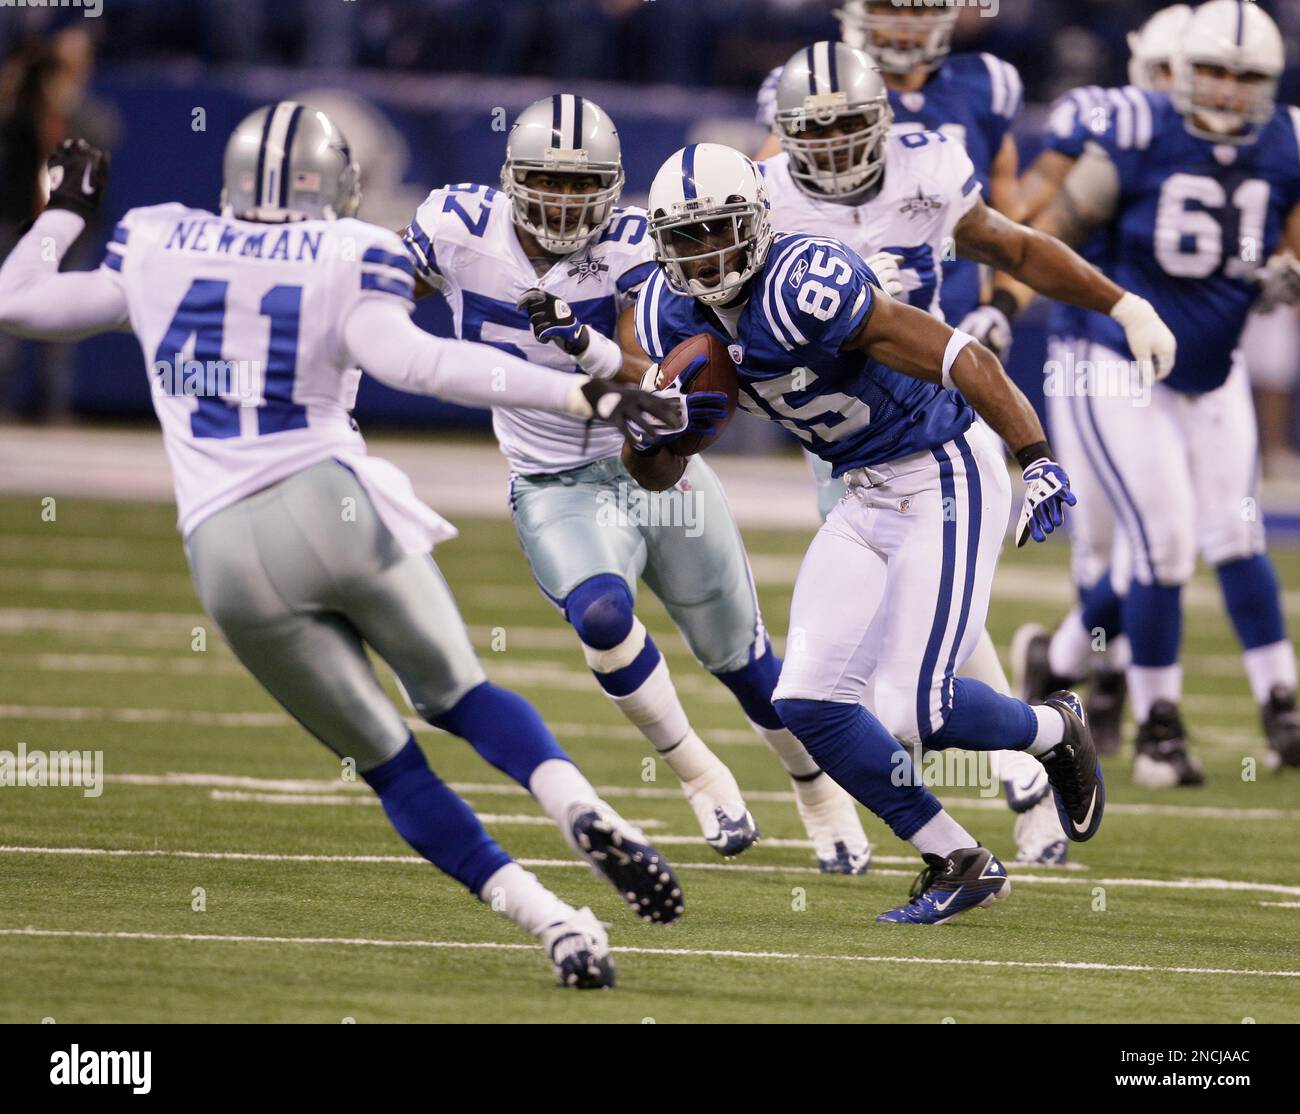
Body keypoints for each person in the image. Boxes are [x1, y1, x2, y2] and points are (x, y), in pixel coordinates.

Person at [0, 107, 692, 989]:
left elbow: (17, 302)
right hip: (330, 502)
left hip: (221, 549)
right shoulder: (346, 250)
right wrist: (586, 400)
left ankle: (555, 926)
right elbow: (422, 364)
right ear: (335, 187)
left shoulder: (159, 238)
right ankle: (582, 808)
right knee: (461, 698)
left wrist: (61, 212)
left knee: (391, 765)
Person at [625, 142, 1170, 922]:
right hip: (865, 491)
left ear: (758, 223)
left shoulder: (804, 285)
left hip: (943, 469)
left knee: (916, 711)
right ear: (662, 244)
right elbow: (652, 473)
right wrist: (659, 435)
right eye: (687, 237)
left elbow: (961, 355)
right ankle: (956, 856)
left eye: (721, 230)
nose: (707, 254)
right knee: (807, 702)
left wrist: (1036, 458)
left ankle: (1054, 729)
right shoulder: (665, 316)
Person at [401, 94, 873, 872]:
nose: (563, 200)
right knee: (599, 611)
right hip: (553, 479)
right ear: (512, 179)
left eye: (581, 183)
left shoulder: (633, 242)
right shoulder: (455, 226)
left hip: (656, 465)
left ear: (613, 185)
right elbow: (368, 297)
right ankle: (696, 771)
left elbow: (650, 383)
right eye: (547, 182)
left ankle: (816, 789)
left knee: (745, 663)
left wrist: (584, 345)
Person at [760, 41, 1169, 862]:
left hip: (938, 409)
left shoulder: (927, 167)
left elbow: (1015, 246)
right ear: (784, 134)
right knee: (870, 660)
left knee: (915, 659)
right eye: (818, 129)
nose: (837, 145)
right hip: (837, 427)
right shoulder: (762, 197)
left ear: (884, 122)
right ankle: (984, 812)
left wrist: (1121, 303)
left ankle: (1026, 767)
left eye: (851, 126)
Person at [1028, 0, 1300, 779]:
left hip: (1212, 367)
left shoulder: (1285, 141)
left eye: (1244, 76)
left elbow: (1280, 236)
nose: (1223, 89)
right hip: (1111, 362)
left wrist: (1281, 270)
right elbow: (1045, 239)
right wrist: (1002, 305)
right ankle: (1151, 723)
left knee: (1223, 531)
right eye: (1210, 70)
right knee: (1151, 545)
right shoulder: (1132, 128)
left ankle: (1075, 666)